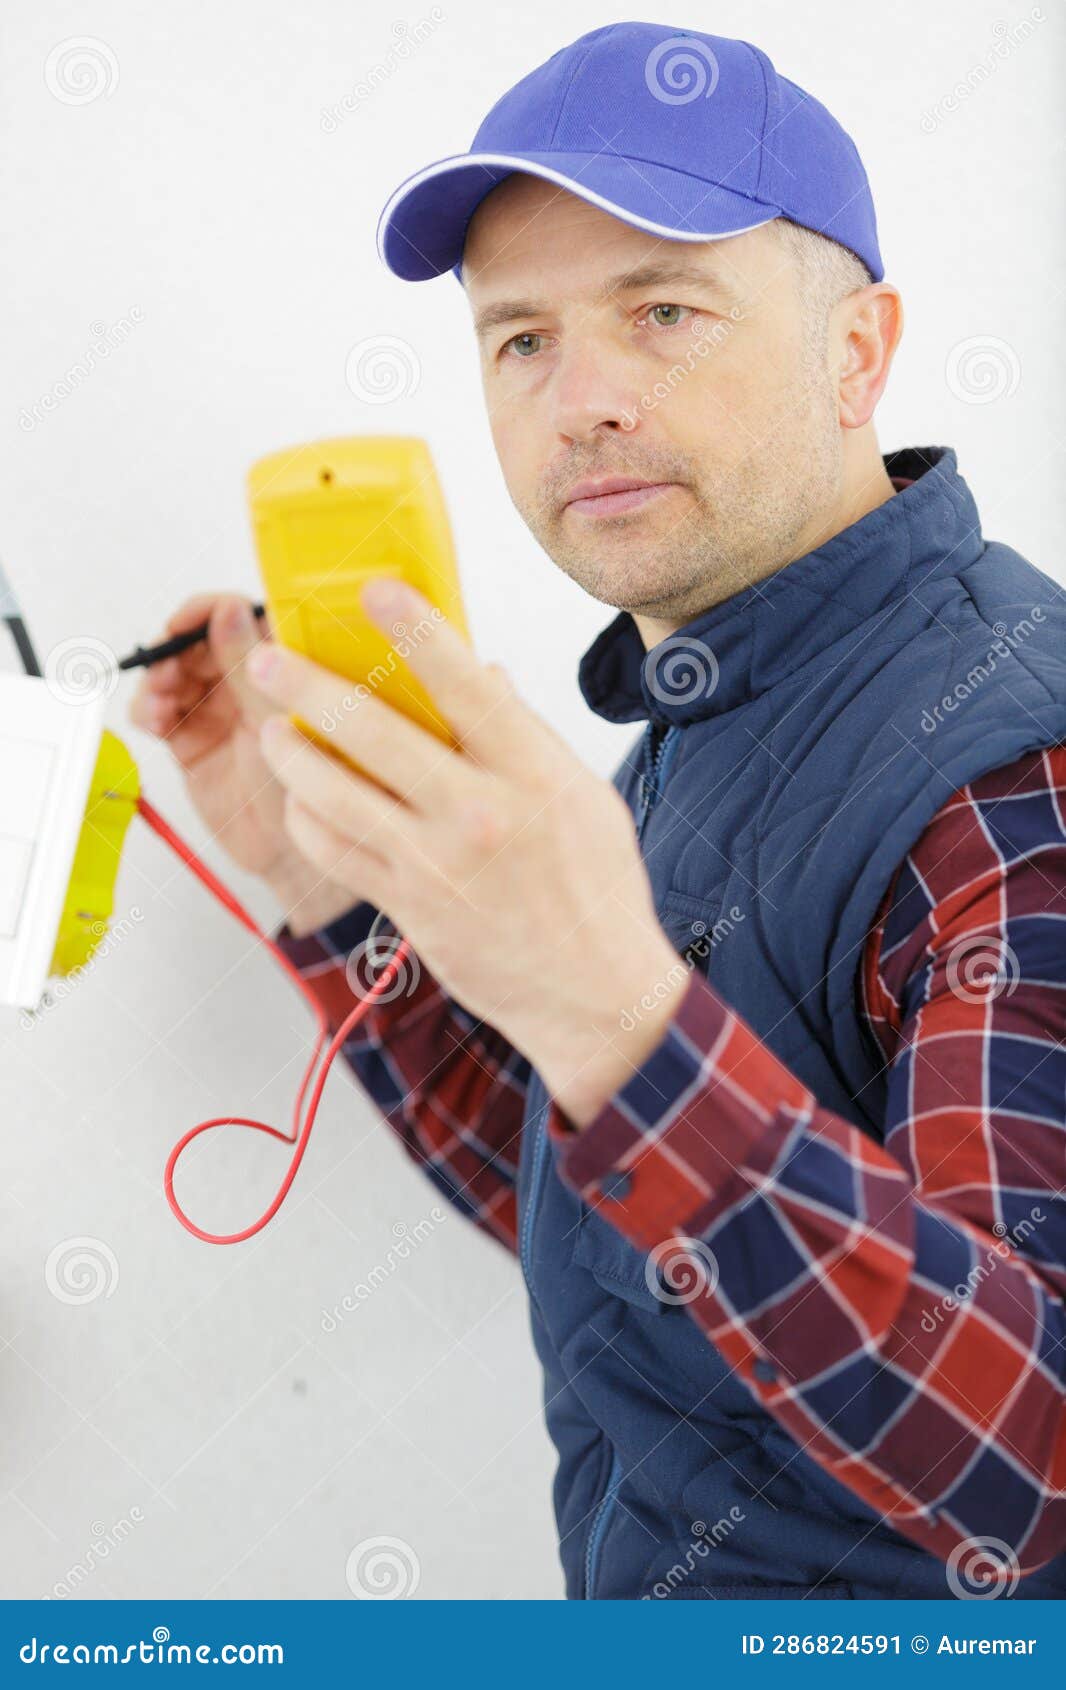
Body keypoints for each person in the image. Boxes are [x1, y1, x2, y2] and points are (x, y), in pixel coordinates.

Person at [130, 22, 1066, 1600]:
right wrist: (321, 879)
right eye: (521, 341)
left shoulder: (1008, 772)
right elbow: (624, 1225)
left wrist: (620, 1020)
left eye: (664, 313)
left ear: (857, 352)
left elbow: (1032, 1457)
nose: (581, 403)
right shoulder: (701, 716)